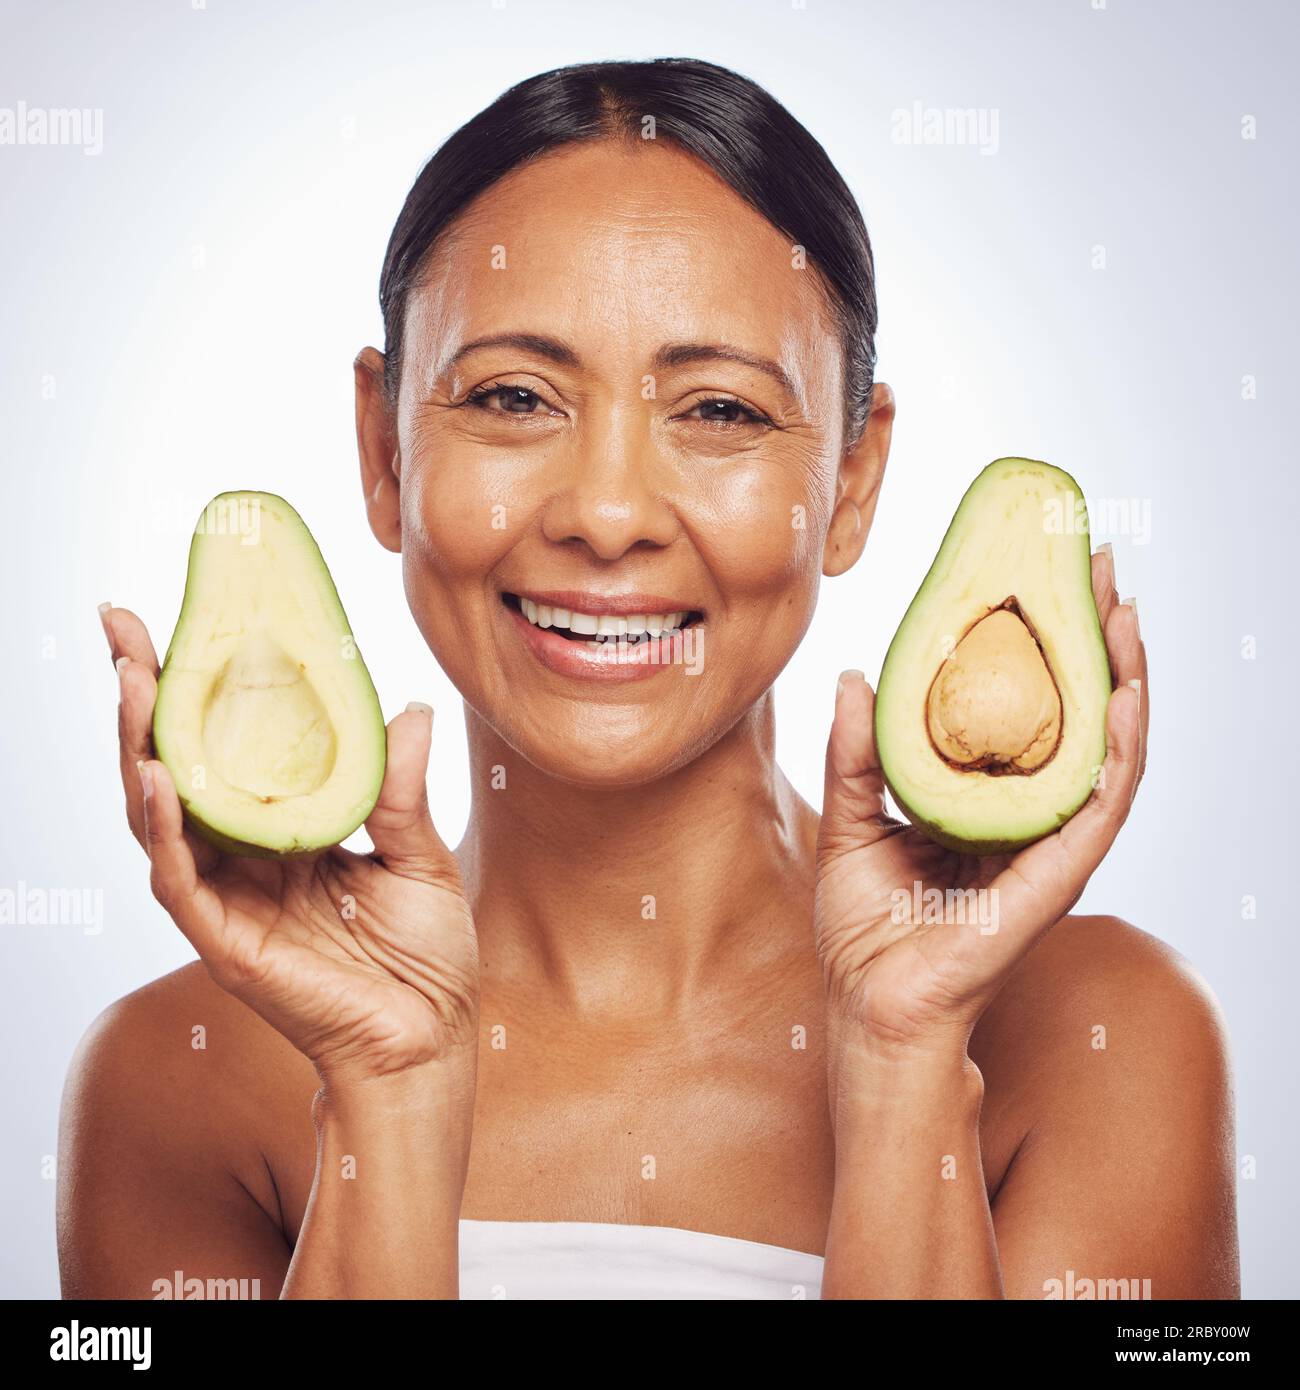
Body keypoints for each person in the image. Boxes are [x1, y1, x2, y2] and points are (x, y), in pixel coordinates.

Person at [60, 59, 1236, 1300]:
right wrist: (387, 1087)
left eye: (720, 411)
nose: (609, 513)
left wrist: (903, 1055)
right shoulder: (173, 1078)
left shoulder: (1105, 1036)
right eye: (514, 396)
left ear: (850, 480)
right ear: (384, 449)